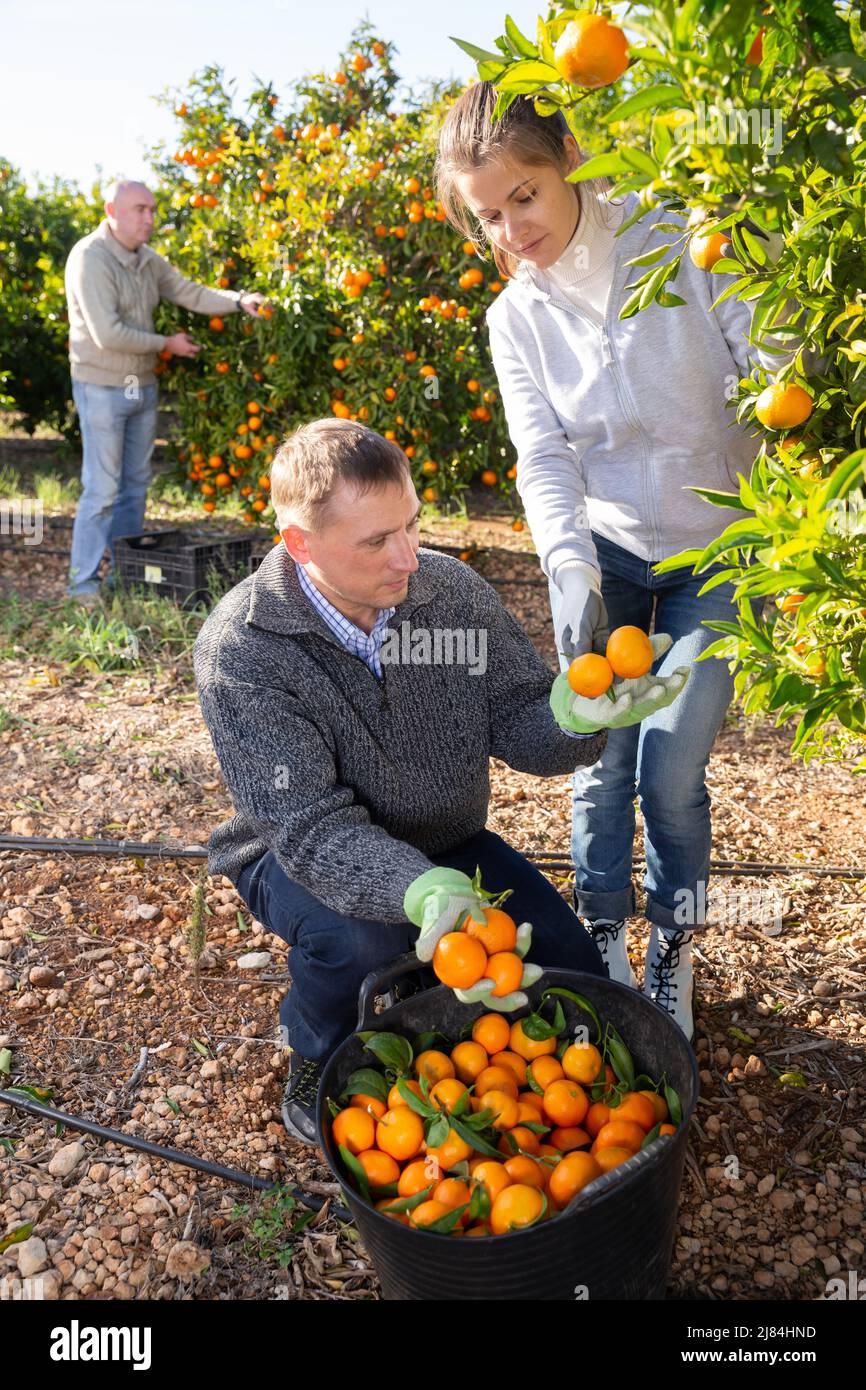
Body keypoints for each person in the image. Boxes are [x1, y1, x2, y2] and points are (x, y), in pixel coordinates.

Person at [435, 84, 812, 1043]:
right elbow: (547, 455)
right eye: (488, 215)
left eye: (524, 195)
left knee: (672, 775)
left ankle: (673, 945)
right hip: (609, 555)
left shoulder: (684, 239)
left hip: (721, 553)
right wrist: (568, 566)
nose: (512, 230)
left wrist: (762, 248)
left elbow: (778, 375)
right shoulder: (515, 320)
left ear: (567, 156)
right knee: (599, 769)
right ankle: (603, 941)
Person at [191, 419, 684, 1144]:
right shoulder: (245, 650)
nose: (407, 556)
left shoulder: (449, 597)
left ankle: (428, 982)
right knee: (360, 945)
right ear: (301, 544)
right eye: (376, 541)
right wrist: (416, 891)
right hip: (293, 853)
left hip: (447, 842)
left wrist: (573, 719)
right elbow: (309, 829)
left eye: (411, 525)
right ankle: (315, 1046)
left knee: (575, 977)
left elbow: (521, 721)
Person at [63, 179, 268, 603]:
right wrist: (166, 345)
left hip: (142, 386)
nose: (149, 218)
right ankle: (83, 585)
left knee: (135, 484)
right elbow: (107, 335)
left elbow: (187, 291)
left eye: (152, 210)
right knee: (101, 488)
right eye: (140, 209)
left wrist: (237, 300)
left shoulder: (148, 260)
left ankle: (125, 574)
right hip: (101, 386)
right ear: (111, 211)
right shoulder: (90, 258)